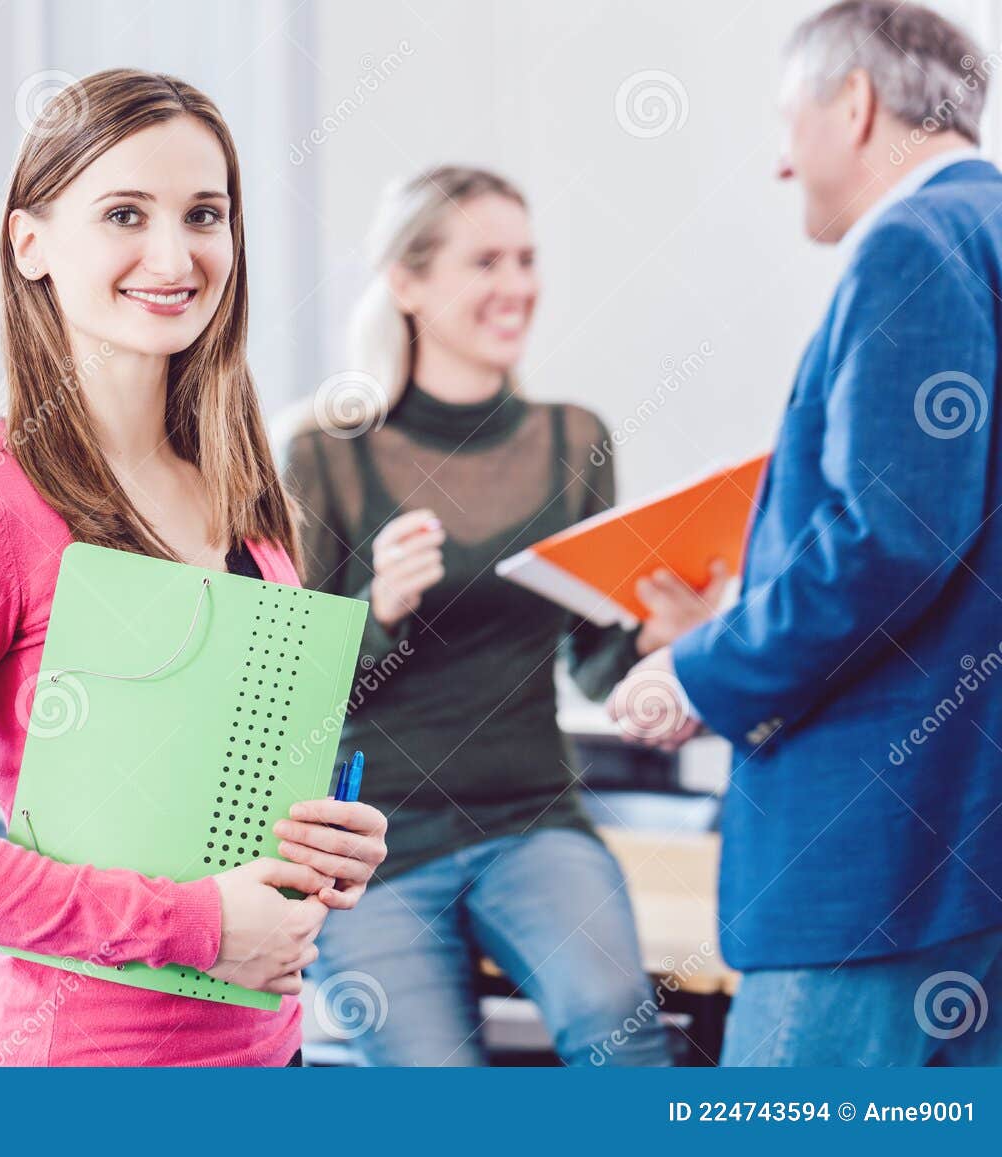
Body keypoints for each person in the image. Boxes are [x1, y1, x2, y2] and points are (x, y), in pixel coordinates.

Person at [0, 69, 388, 1067]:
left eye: (204, 213)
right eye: (125, 213)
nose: (174, 255)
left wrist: (324, 843)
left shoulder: (246, 483)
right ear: (32, 242)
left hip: (268, 1058)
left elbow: (222, 804)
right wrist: (198, 924)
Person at [610, 0, 1002, 1066]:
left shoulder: (913, 245)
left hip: (878, 858)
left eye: (788, 122)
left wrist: (698, 670)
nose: (781, 165)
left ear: (855, 102)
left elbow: (894, 536)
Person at [282, 166, 726, 1066]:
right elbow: (286, 688)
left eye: (526, 259)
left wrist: (658, 636)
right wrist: (381, 609)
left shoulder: (575, 440)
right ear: (407, 283)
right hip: (372, 842)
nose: (518, 284)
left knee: (621, 1034)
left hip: (532, 817)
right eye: (485, 261)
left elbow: (593, 664)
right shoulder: (326, 454)